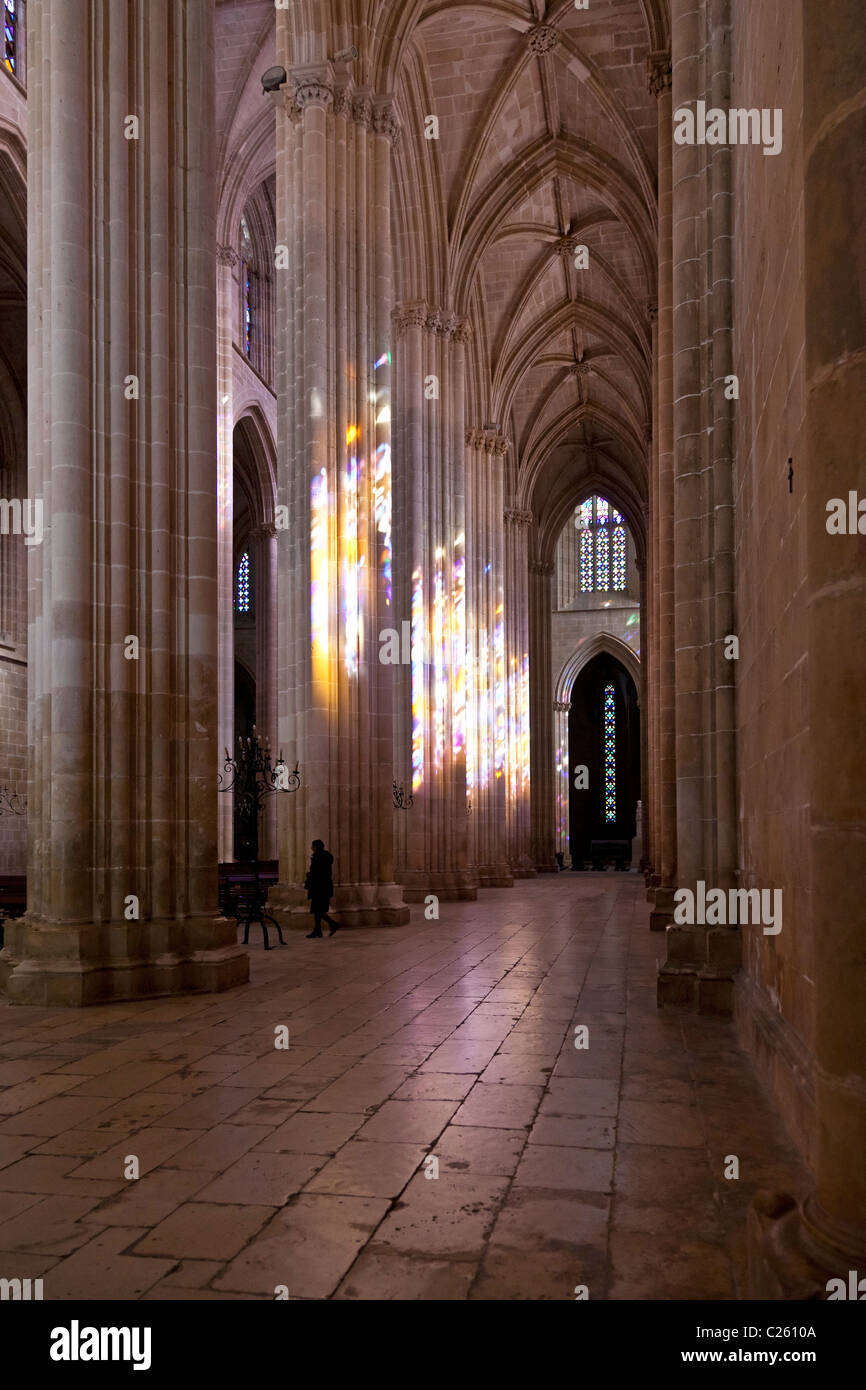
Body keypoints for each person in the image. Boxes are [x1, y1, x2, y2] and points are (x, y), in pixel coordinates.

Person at [305, 839, 340, 938]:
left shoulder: (317, 858)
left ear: (315, 847)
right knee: (317, 910)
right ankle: (318, 930)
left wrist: (309, 876)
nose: (311, 848)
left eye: (312, 846)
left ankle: (332, 924)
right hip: (325, 886)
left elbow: (316, 873)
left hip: (319, 887)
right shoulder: (325, 857)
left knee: (318, 910)